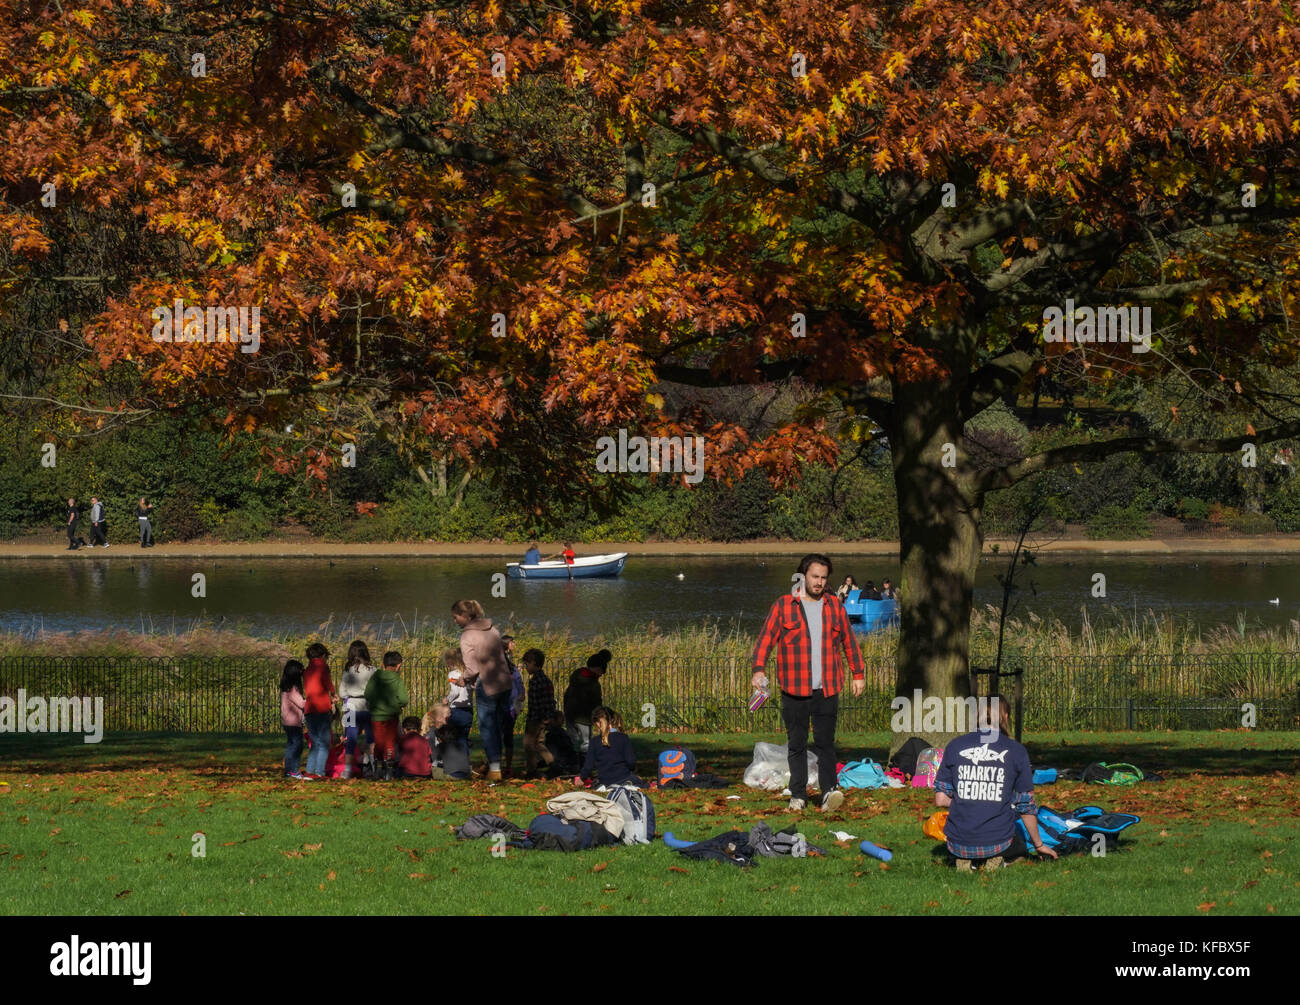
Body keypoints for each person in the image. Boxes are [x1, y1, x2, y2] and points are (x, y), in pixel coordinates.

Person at [751, 553, 867, 813]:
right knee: (797, 744)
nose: (819, 582)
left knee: (826, 743)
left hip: (827, 687)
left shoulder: (835, 606)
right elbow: (765, 640)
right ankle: (799, 795)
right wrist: (758, 671)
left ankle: (828, 793)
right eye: (815, 577)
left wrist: (858, 674)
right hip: (794, 688)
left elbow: (849, 641)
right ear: (803, 576)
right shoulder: (783, 605)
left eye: (824, 578)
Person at [933, 693, 1058, 871]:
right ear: (1005, 717)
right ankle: (1002, 860)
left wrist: (968, 800)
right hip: (998, 841)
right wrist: (1038, 845)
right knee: (1019, 845)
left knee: (967, 844)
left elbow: (940, 799)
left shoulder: (955, 746)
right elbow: (1026, 805)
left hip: (957, 843)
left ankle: (967, 860)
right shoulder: (1016, 750)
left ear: (977, 716)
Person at [452, 598, 511, 782]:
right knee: (499, 726)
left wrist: (464, 680)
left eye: (455, 617)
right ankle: (498, 763)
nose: (455, 621)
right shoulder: (493, 630)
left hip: (487, 685)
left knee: (487, 728)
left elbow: (473, 669)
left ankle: (495, 769)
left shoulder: (467, 636)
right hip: (505, 682)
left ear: (465, 616)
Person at [337, 639, 377, 780]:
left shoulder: (348, 672)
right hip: (367, 705)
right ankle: (373, 768)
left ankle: (347, 771)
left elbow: (342, 693)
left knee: (351, 739)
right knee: (371, 738)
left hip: (351, 706)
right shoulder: (372, 670)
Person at [364, 650, 410, 771]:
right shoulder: (397, 680)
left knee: (379, 742)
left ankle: (378, 766)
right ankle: (389, 766)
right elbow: (404, 699)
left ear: (383, 664)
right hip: (391, 716)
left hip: (376, 716)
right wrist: (397, 704)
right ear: (399, 665)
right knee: (390, 741)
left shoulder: (375, 678)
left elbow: (367, 694)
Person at [577, 707, 642, 788]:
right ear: (613, 719)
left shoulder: (594, 742)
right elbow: (631, 762)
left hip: (605, 781)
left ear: (596, 723)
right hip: (624, 778)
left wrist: (581, 778)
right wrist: (631, 770)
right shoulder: (623, 738)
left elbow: (588, 766)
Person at [563, 648, 611, 754]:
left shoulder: (576, 676)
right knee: (586, 742)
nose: (602, 674)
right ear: (598, 668)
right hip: (584, 717)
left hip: (570, 713)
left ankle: (572, 761)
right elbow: (596, 702)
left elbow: (567, 695)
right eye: (601, 671)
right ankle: (585, 761)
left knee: (572, 740)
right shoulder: (594, 684)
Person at [301, 642, 336, 779]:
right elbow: (327, 682)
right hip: (322, 707)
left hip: (309, 708)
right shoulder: (323, 666)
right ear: (322, 655)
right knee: (325, 742)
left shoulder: (307, 669)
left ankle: (310, 770)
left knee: (315, 742)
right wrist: (333, 693)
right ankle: (320, 771)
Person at [522, 648, 556, 778]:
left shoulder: (537, 680)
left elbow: (543, 701)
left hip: (536, 718)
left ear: (535, 663)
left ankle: (532, 770)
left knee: (528, 744)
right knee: (538, 743)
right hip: (540, 716)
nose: (526, 667)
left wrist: (544, 717)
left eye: (528, 664)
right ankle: (552, 763)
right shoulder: (542, 679)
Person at [422, 703, 471, 780]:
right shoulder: (432, 734)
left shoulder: (445, 732)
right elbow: (432, 756)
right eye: (447, 713)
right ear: (439, 718)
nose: (450, 715)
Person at [501, 634, 525, 778]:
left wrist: (522, 692)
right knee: (503, 735)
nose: (514, 644)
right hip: (504, 705)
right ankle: (500, 765)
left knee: (506, 736)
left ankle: (506, 765)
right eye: (511, 642)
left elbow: (518, 681)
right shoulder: (505, 665)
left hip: (510, 705)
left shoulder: (512, 667)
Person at [279, 659, 306, 779]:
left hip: (288, 722)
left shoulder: (286, 688)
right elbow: (301, 703)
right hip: (293, 722)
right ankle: (293, 770)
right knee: (296, 746)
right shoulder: (293, 689)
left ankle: (289, 770)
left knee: (291, 745)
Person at [543, 712, 580, 779]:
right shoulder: (564, 733)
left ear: (553, 720)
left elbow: (555, 754)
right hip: (573, 763)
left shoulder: (551, 735)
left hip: (563, 766)